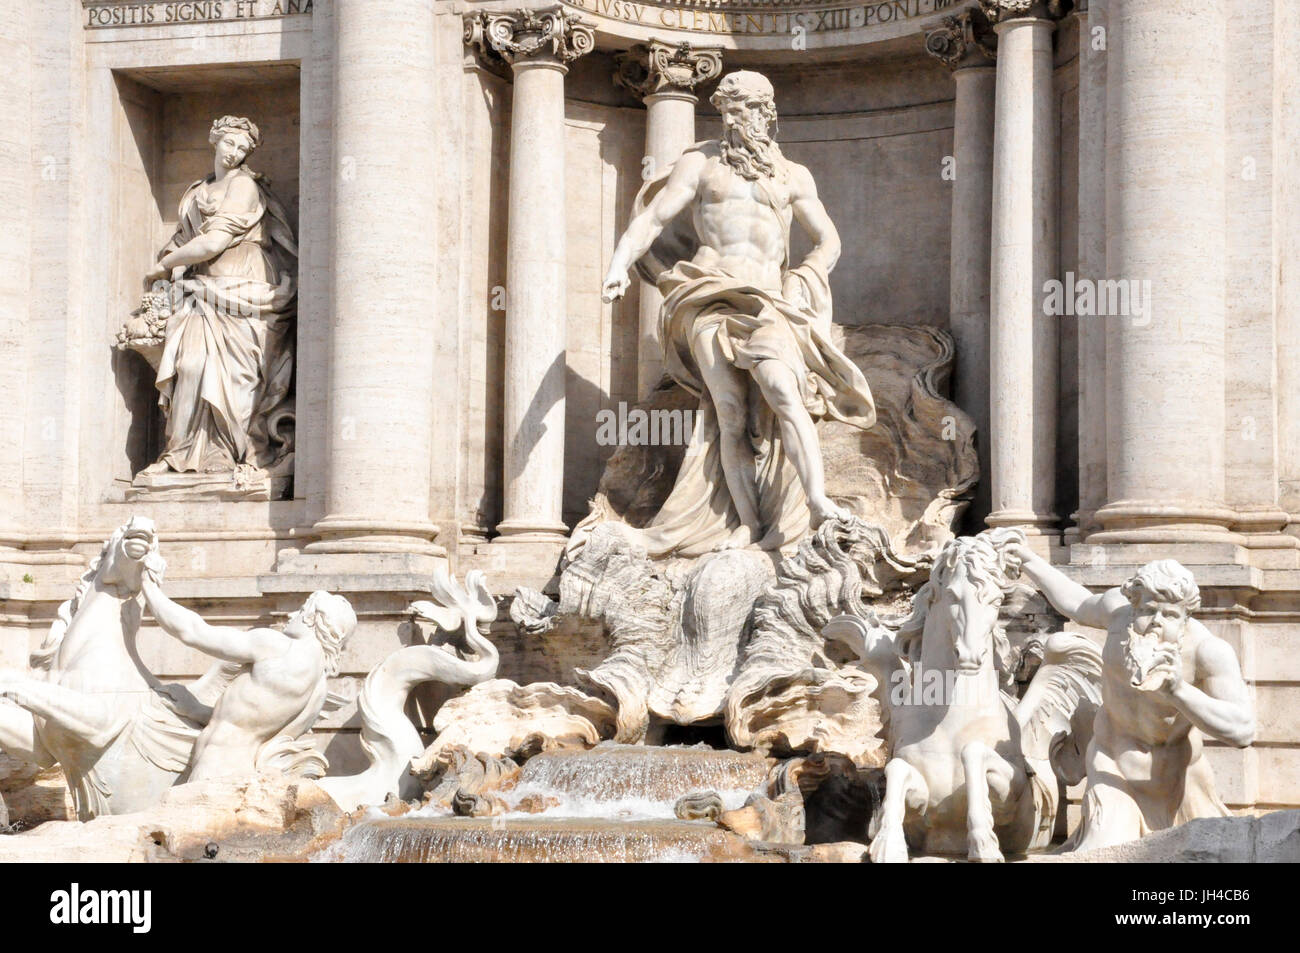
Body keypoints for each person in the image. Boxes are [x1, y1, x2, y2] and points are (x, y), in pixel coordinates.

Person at [600, 71, 875, 557]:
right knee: (727, 411)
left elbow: (828, 238)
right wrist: (620, 264)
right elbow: (656, 217)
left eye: (744, 108)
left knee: (783, 390)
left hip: (769, 298)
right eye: (727, 110)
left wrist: (806, 274)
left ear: (766, 113)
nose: (734, 118)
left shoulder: (794, 175)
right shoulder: (700, 164)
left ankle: (815, 502)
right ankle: (747, 524)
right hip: (707, 294)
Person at [1008, 548, 1255, 851]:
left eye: (1170, 615)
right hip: (1113, 769)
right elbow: (1077, 603)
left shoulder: (1208, 651)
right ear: (1134, 606)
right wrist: (1028, 560)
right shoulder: (1117, 614)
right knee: (1103, 853)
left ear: (1186, 615)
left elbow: (1243, 730)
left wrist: (1178, 690)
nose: (1157, 622)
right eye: (1149, 611)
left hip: (1180, 780)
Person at [143, 115, 297, 475]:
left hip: (242, 293)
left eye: (242, 149)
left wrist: (163, 265)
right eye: (230, 143)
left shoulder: (244, 187)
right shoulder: (197, 191)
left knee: (232, 378)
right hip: (202, 293)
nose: (234, 152)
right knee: (190, 366)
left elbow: (213, 242)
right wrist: (172, 267)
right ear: (215, 139)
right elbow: (186, 240)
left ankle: (223, 455)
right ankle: (180, 453)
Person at [140, 553, 356, 783]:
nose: (293, 615)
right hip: (245, 776)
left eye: (302, 610)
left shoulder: (278, 646)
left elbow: (193, 631)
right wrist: (195, 710)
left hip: (214, 771)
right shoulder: (319, 689)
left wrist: (149, 586)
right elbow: (249, 724)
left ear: (313, 618)